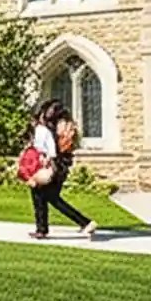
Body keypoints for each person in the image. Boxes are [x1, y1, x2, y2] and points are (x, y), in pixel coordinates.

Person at [29, 100, 97, 240]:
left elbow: (54, 148)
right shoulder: (65, 125)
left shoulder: (58, 127)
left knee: (48, 196)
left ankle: (85, 222)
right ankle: (42, 228)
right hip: (60, 165)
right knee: (42, 194)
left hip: (55, 165)